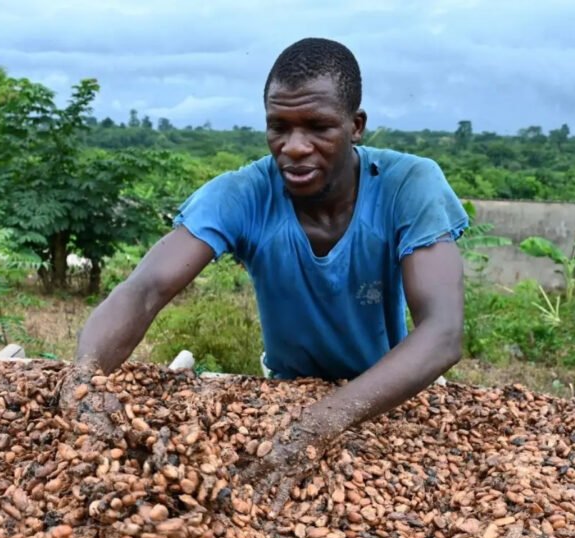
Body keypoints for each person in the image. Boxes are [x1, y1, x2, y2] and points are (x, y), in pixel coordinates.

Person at [60, 37, 468, 509]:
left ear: (356, 126)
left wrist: (316, 427)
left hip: (390, 399)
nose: (294, 148)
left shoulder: (409, 185)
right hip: (286, 395)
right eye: (279, 127)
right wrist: (85, 381)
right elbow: (145, 289)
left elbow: (442, 333)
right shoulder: (244, 194)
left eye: (317, 128)